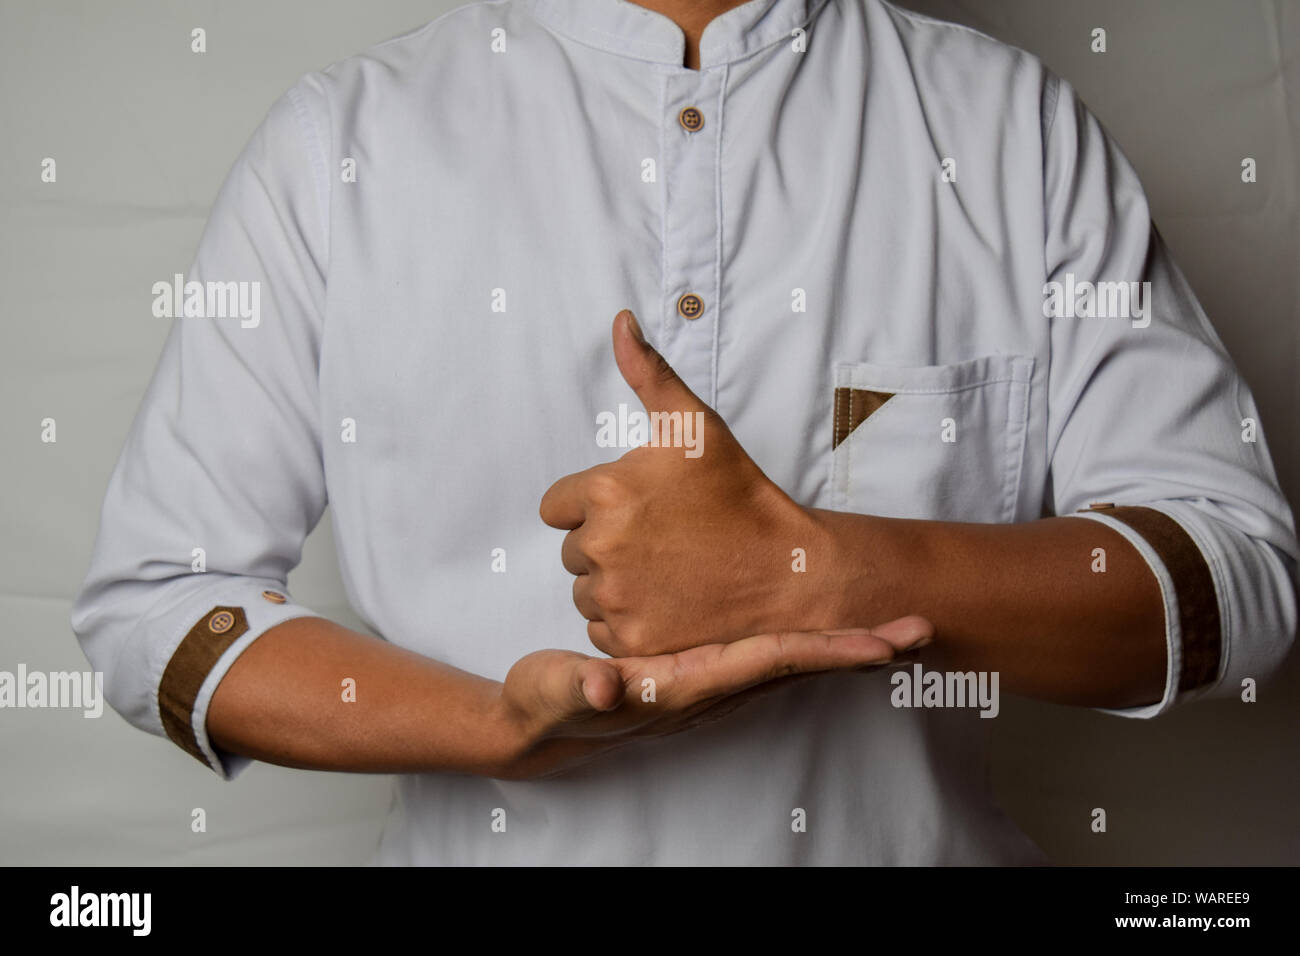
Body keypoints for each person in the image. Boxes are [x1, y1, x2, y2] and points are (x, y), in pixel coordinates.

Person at [72, 0, 1297, 865]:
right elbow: (158, 605)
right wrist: (494, 728)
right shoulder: (340, 145)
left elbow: (1236, 575)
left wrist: (817, 568)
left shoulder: (1007, 123)